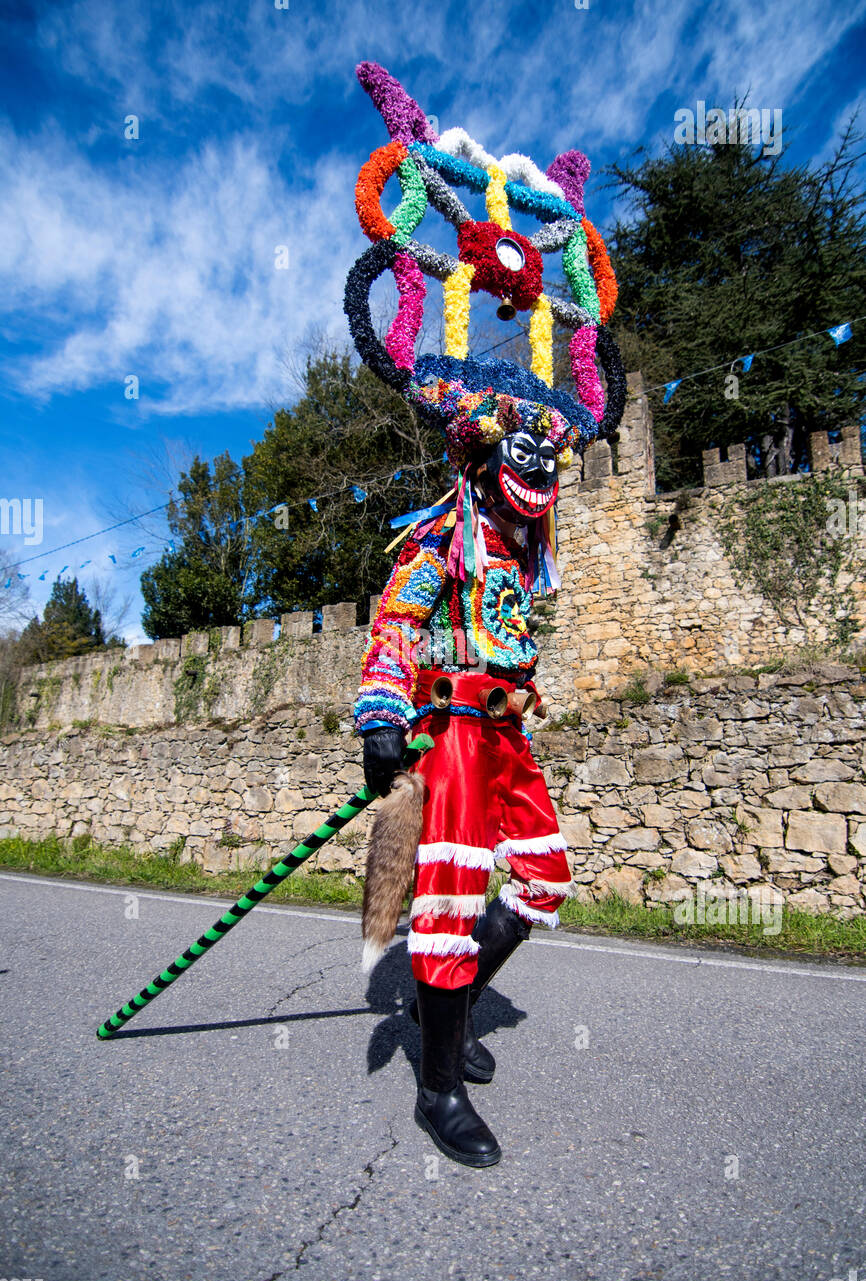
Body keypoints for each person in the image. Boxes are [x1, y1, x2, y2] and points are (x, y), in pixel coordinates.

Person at [343, 61, 625, 1166]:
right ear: (475, 450)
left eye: (544, 452)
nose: (537, 460)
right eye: (517, 449)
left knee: (542, 879)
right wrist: (379, 715)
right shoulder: (445, 533)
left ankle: (433, 1006)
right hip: (453, 735)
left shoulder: (522, 546)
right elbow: (395, 621)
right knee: (451, 894)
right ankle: (434, 1080)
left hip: (508, 731)